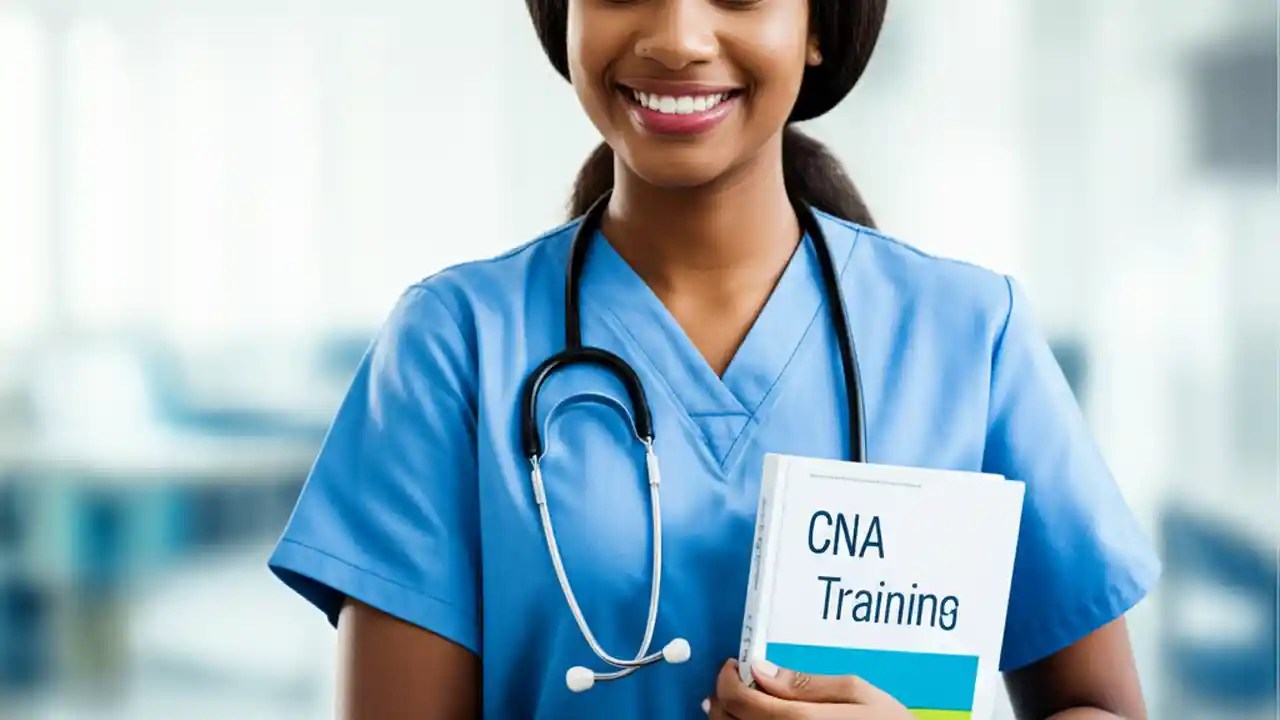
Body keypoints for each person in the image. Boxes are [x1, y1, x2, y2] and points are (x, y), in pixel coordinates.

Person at [267, 1, 1161, 717]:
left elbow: (1098, 707)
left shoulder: (971, 336)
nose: (677, 36)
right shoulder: (454, 344)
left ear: (818, 25)